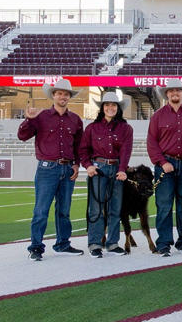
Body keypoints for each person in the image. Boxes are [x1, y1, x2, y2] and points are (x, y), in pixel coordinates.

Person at [18, 79, 84, 261]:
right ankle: (36, 248)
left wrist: (77, 164)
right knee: (41, 210)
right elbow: (22, 136)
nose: (62, 96)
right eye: (59, 93)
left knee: (64, 210)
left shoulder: (75, 120)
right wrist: (28, 120)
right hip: (47, 168)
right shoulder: (41, 116)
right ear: (53, 95)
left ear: (69, 97)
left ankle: (63, 244)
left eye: (66, 94)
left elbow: (78, 146)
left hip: (68, 168)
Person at [147, 79, 182, 257]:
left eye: (178, 91)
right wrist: (163, 163)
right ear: (167, 94)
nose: (174, 94)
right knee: (164, 206)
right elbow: (152, 142)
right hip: (166, 166)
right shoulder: (158, 115)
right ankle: (163, 243)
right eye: (171, 91)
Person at [79, 92, 133, 258]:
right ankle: (95, 243)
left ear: (118, 108)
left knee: (115, 209)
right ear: (102, 108)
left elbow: (125, 151)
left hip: (116, 169)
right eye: (107, 105)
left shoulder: (126, 128)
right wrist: (88, 166)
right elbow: (83, 150)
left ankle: (113, 243)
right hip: (98, 169)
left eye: (114, 105)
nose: (111, 108)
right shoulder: (92, 128)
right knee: (95, 208)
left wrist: (122, 169)